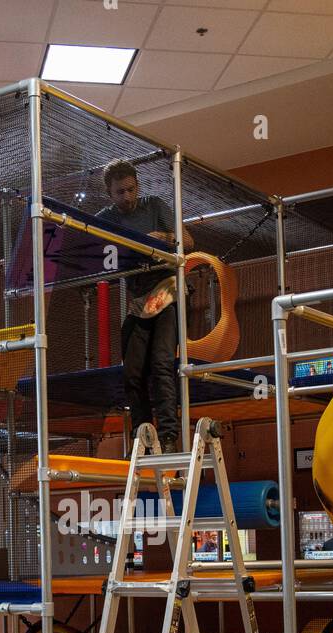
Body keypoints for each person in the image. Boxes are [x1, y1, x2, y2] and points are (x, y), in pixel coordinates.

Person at [95, 160, 194, 450]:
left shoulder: (154, 206)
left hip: (168, 291)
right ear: (109, 193)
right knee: (133, 370)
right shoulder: (106, 218)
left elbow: (188, 242)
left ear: (137, 186)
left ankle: (168, 434)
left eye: (130, 189)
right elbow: (85, 242)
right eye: (120, 192)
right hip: (139, 301)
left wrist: (164, 238)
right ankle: (143, 435)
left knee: (162, 362)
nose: (126, 197)